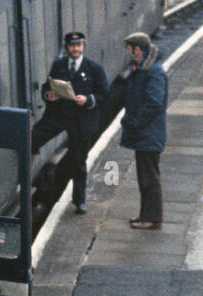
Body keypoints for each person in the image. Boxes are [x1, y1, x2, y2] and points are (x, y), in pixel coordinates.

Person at [32, 31, 110, 215]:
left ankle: (80, 201)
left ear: (83, 46)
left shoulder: (94, 68)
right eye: (72, 45)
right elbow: (46, 86)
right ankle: (26, 182)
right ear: (66, 47)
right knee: (31, 138)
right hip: (59, 115)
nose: (75, 49)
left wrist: (89, 99)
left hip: (81, 119)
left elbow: (105, 94)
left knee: (78, 161)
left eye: (78, 45)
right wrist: (48, 95)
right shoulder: (59, 65)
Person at [118, 32, 167, 230]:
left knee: (149, 178)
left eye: (130, 49)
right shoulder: (143, 69)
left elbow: (154, 103)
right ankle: (146, 215)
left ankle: (151, 218)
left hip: (149, 133)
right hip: (145, 133)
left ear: (137, 49)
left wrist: (135, 122)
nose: (128, 53)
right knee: (145, 176)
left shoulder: (154, 72)